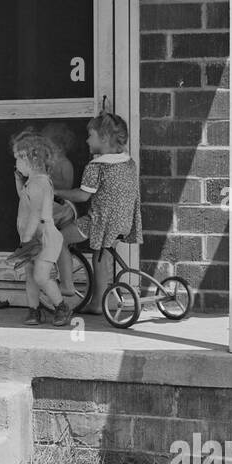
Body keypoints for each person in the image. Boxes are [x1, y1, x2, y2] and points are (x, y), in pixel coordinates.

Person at [53, 111, 142, 315]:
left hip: (100, 222)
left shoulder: (96, 166)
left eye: (90, 135)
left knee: (58, 238)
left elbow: (83, 196)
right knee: (100, 255)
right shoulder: (127, 162)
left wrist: (56, 191)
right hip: (123, 221)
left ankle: (66, 284)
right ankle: (98, 302)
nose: (86, 140)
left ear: (104, 138)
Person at [9, 131, 71, 327]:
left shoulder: (39, 183)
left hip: (43, 237)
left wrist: (26, 239)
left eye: (18, 159)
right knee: (30, 275)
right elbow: (25, 200)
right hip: (35, 237)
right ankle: (34, 310)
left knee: (40, 276)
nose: (16, 164)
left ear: (30, 159)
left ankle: (61, 307)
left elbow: (36, 213)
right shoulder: (34, 181)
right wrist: (19, 181)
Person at [42, 122, 79, 296]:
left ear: (61, 146)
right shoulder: (48, 163)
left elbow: (68, 185)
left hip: (62, 207)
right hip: (51, 205)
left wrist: (50, 183)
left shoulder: (65, 164)